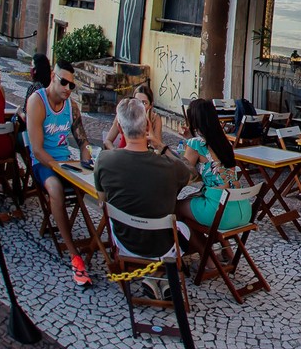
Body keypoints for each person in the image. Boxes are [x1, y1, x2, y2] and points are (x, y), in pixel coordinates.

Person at [94, 98, 192, 262]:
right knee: (185, 229)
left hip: (124, 242)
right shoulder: (172, 167)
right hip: (163, 245)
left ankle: (154, 279)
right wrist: (161, 146)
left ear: (119, 127)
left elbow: (102, 202)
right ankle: (159, 276)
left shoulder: (104, 160)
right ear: (147, 126)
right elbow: (191, 171)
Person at [26, 60, 96, 286]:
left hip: (66, 162)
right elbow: (36, 148)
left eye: (72, 85)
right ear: (53, 78)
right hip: (43, 163)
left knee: (100, 183)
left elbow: (83, 141)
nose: (67, 88)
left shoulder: (71, 107)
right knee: (55, 188)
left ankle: (115, 246)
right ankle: (75, 255)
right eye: (64, 82)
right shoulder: (37, 102)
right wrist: (58, 168)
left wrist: (86, 155)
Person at [177, 98, 251, 235]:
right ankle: (225, 251)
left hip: (221, 212)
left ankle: (206, 254)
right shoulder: (224, 142)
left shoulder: (195, 143)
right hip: (243, 210)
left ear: (193, 120)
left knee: (176, 208)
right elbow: (208, 155)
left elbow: (181, 172)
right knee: (192, 203)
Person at [103, 83, 163, 151]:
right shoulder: (124, 114)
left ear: (150, 105)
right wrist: (115, 151)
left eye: (144, 103)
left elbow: (158, 147)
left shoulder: (155, 119)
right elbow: (107, 141)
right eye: (137, 101)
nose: (140, 106)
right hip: (123, 155)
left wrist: (150, 128)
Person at [18, 53, 53, 127]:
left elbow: (26, 117)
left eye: (32, 66)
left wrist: (19, 112)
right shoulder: (51, 88)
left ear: (35, 70)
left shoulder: (33, 89)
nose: (30, 69)